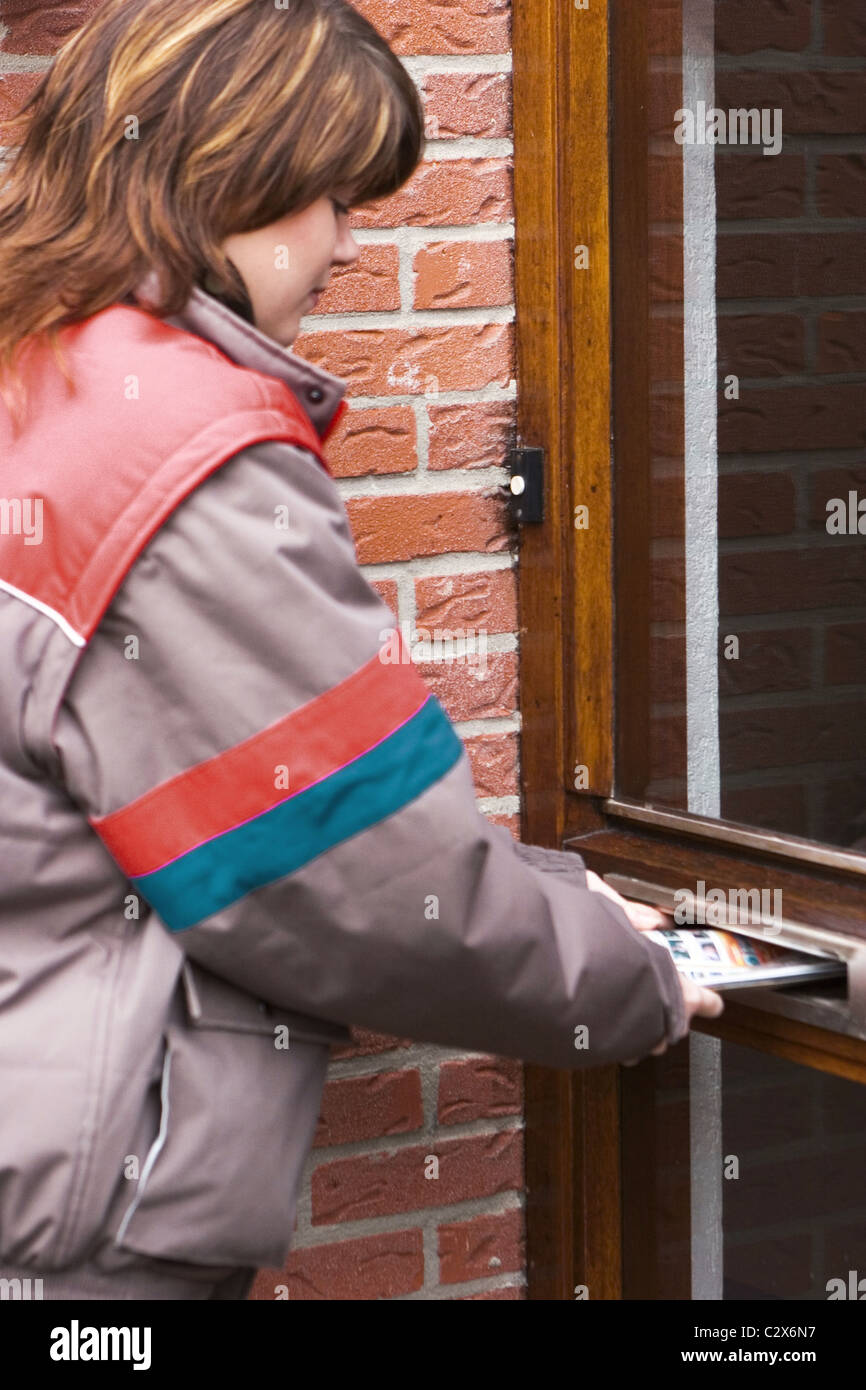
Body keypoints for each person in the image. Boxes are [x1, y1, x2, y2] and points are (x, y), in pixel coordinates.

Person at [0, 0, 723, 1300]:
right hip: (71, 1245)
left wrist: (544, 886)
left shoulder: (29, 372)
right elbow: (354, 879)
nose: (346, 236)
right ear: (230, 170)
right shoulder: (177, 461)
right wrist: (635, 974)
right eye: (331, 192)